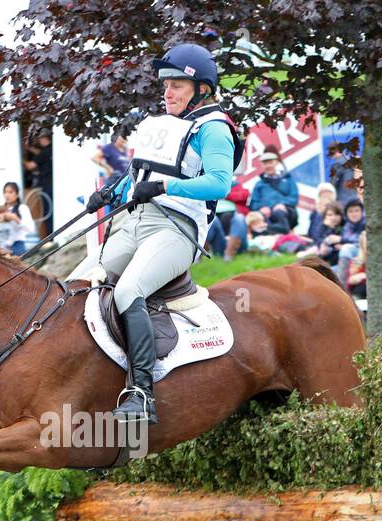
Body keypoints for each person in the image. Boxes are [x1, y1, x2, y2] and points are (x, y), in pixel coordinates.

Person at [83, 42, 242, 425]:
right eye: (165, 85)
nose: (167, 92)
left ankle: (141, 393)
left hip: (177, 229)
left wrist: (166, 190)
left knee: (127, 291)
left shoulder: (214, 128)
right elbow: (144, 177)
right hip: (135, 222)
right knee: (80, 284)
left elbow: (220, 183)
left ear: (201, 90)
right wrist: (111, 191)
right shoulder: (165, 126)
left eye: (177, 86)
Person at [250, 150, 299, 232]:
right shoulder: (259, 184)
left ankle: (284, 232)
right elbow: (253, 203)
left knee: (278, 212)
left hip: (284, 213)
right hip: (265, 214)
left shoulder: (288, 180)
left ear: (276, 162)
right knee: (258, 219)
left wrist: (282, 204)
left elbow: (294, 198)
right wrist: (261, 208)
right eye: (265, 163)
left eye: (270, 162)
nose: (268, 166)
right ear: (262, 165)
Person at [0, 182, 34, 254]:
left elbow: (30, 229)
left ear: (17, 194)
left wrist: (16, 219)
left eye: (10, 192)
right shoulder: (1, 208)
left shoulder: (22, 208)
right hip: (0, 244)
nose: (7, 195)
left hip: (17, 244)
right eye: (5, 192)